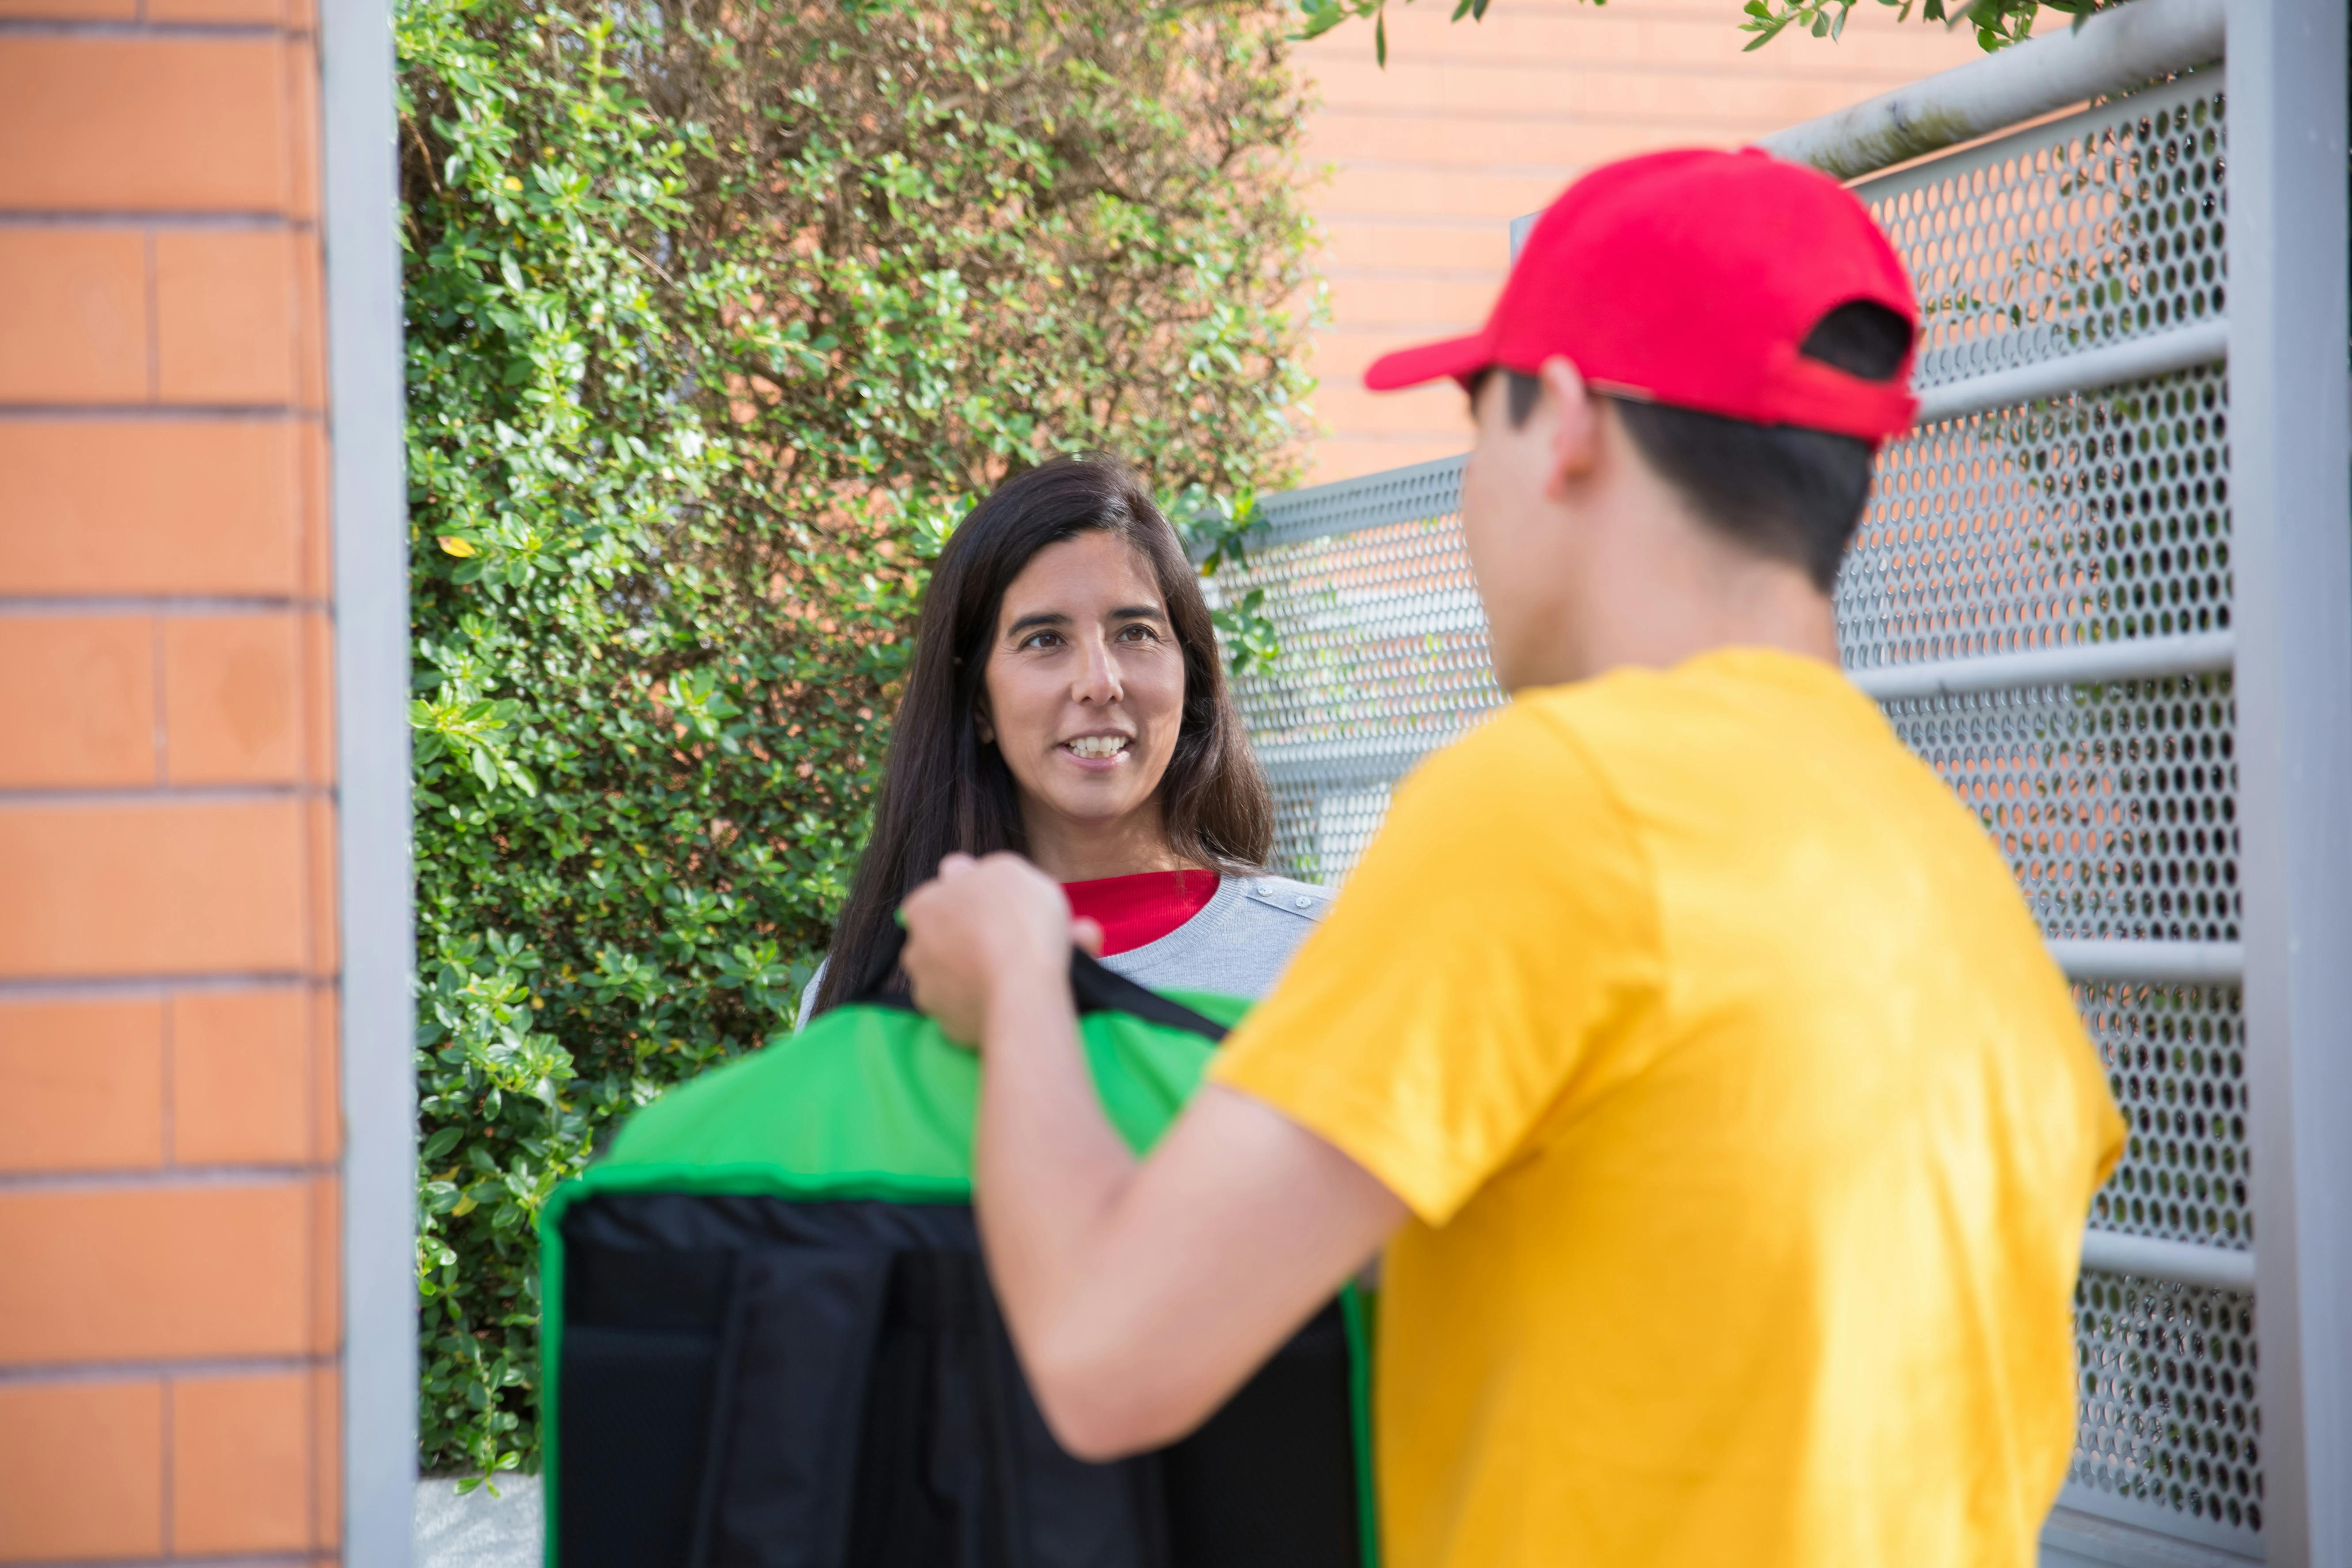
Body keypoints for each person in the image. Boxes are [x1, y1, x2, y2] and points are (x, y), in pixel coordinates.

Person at [894, 148, 2128, 1568]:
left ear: (1568, 425)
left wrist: (1019, 983)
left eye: (1475, 422)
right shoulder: (1946, 869)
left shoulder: (1556, 805)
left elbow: (1108, 1356)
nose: (1468, 497)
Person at [801, 452, 1331, 1025]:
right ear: (978, 702)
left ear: (1192, 673)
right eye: (1044, 640)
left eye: (1136, 632)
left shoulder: (1328, 955)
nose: (1099, 683)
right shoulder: (863, 993)